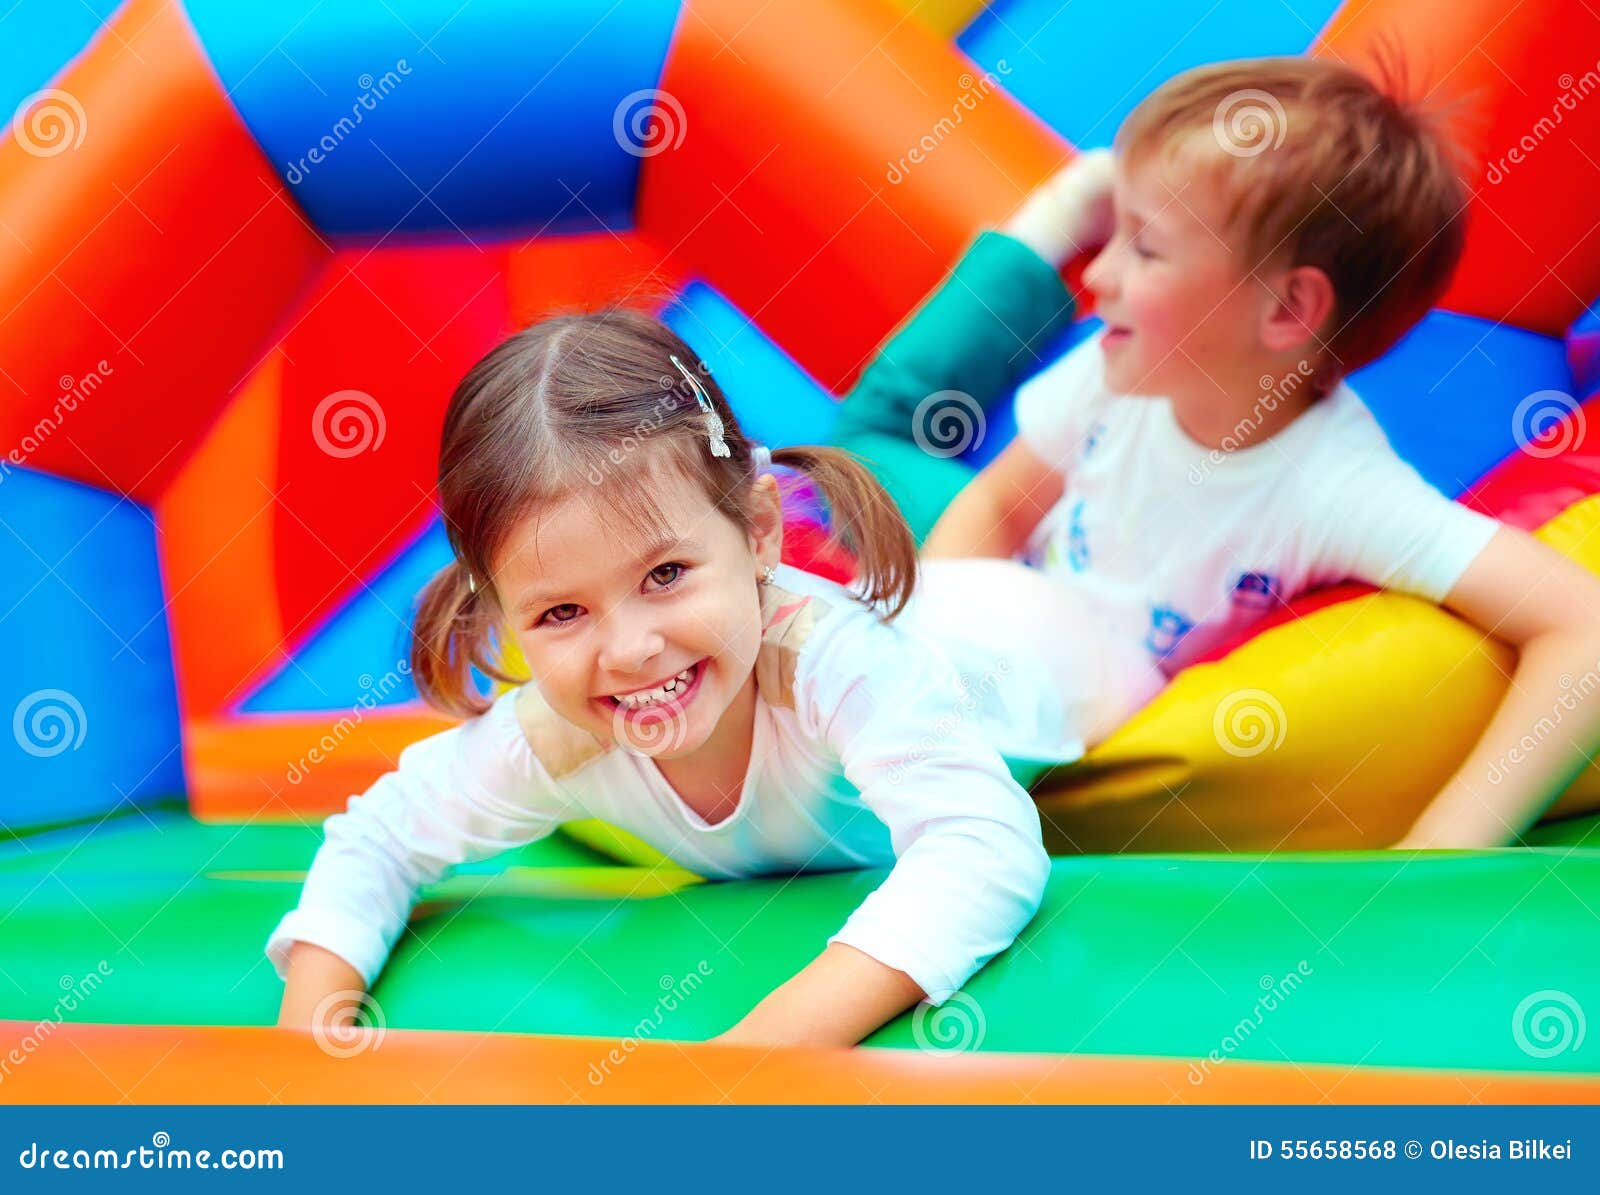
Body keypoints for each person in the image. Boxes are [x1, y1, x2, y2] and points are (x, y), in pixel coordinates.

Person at [832, 57, 1600, 849]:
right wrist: (926, 629)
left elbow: (1584, 628)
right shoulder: (1119, 367)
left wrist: (1444, 846)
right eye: (1118, 237)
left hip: (1081, 675)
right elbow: (998, 506)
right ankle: (1058, 218)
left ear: (1288, 308)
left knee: (868, 442)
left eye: (1146, 248)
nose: (1099, 276)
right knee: (866, 443)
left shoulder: (1335, 489)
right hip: (1030, 600)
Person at [268, 309, 1052, 1047]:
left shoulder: (829, 662)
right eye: (562, 612)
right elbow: (379, 839)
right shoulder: (557, 732)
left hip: (1034, 638)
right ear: (503, 615)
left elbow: (982, 845)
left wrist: (749, 1057)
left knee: (940, 471)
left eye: (666, 573)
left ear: (760, 530)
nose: (630, 650)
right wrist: (304, 1055)